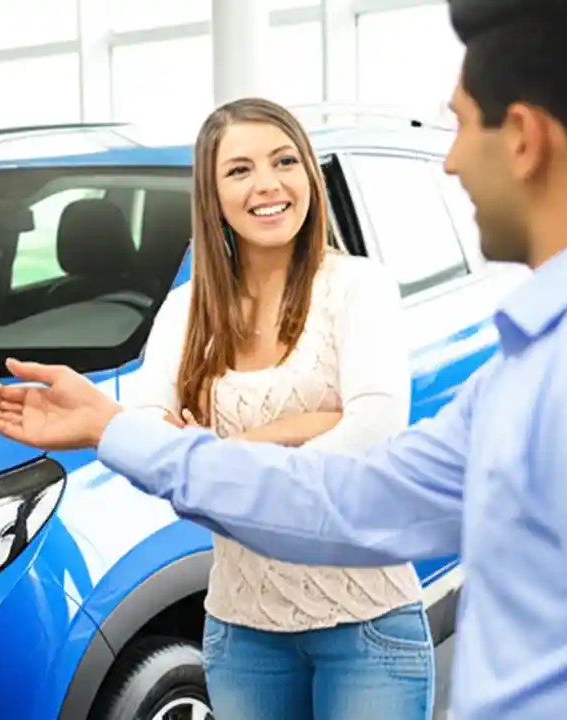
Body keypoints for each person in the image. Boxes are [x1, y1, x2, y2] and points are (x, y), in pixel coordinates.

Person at [0, 1, 567, 718]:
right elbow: (354, 504)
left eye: (459, 125)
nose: (447, 162)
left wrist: (164, 433)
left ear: (523, 138)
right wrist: (113, 430)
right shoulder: (552, 361)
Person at [126, 97, 431, 718]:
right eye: (239, 170)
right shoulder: (186, 312)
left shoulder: (357, 287)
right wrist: (310, 425)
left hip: (366, 624)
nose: (267, 185)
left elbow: (372, 432)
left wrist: (223, 455)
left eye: (284, 160)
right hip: (243, 632)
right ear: (212, 196)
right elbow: (145, 447)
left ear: (309, 177)